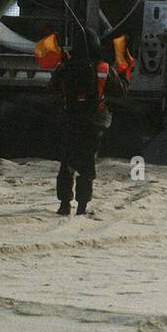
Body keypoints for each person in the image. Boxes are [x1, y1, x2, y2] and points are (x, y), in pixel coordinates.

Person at [50, 31, 127, 216]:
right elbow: (120, 91)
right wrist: (125, 73)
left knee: (67, 161)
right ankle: (82, 206)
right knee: (87, 162)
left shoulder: (65, 67)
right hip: (94, 122)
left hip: (70, 119)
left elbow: (51, 88)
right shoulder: (104, 68)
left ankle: (64, 204)